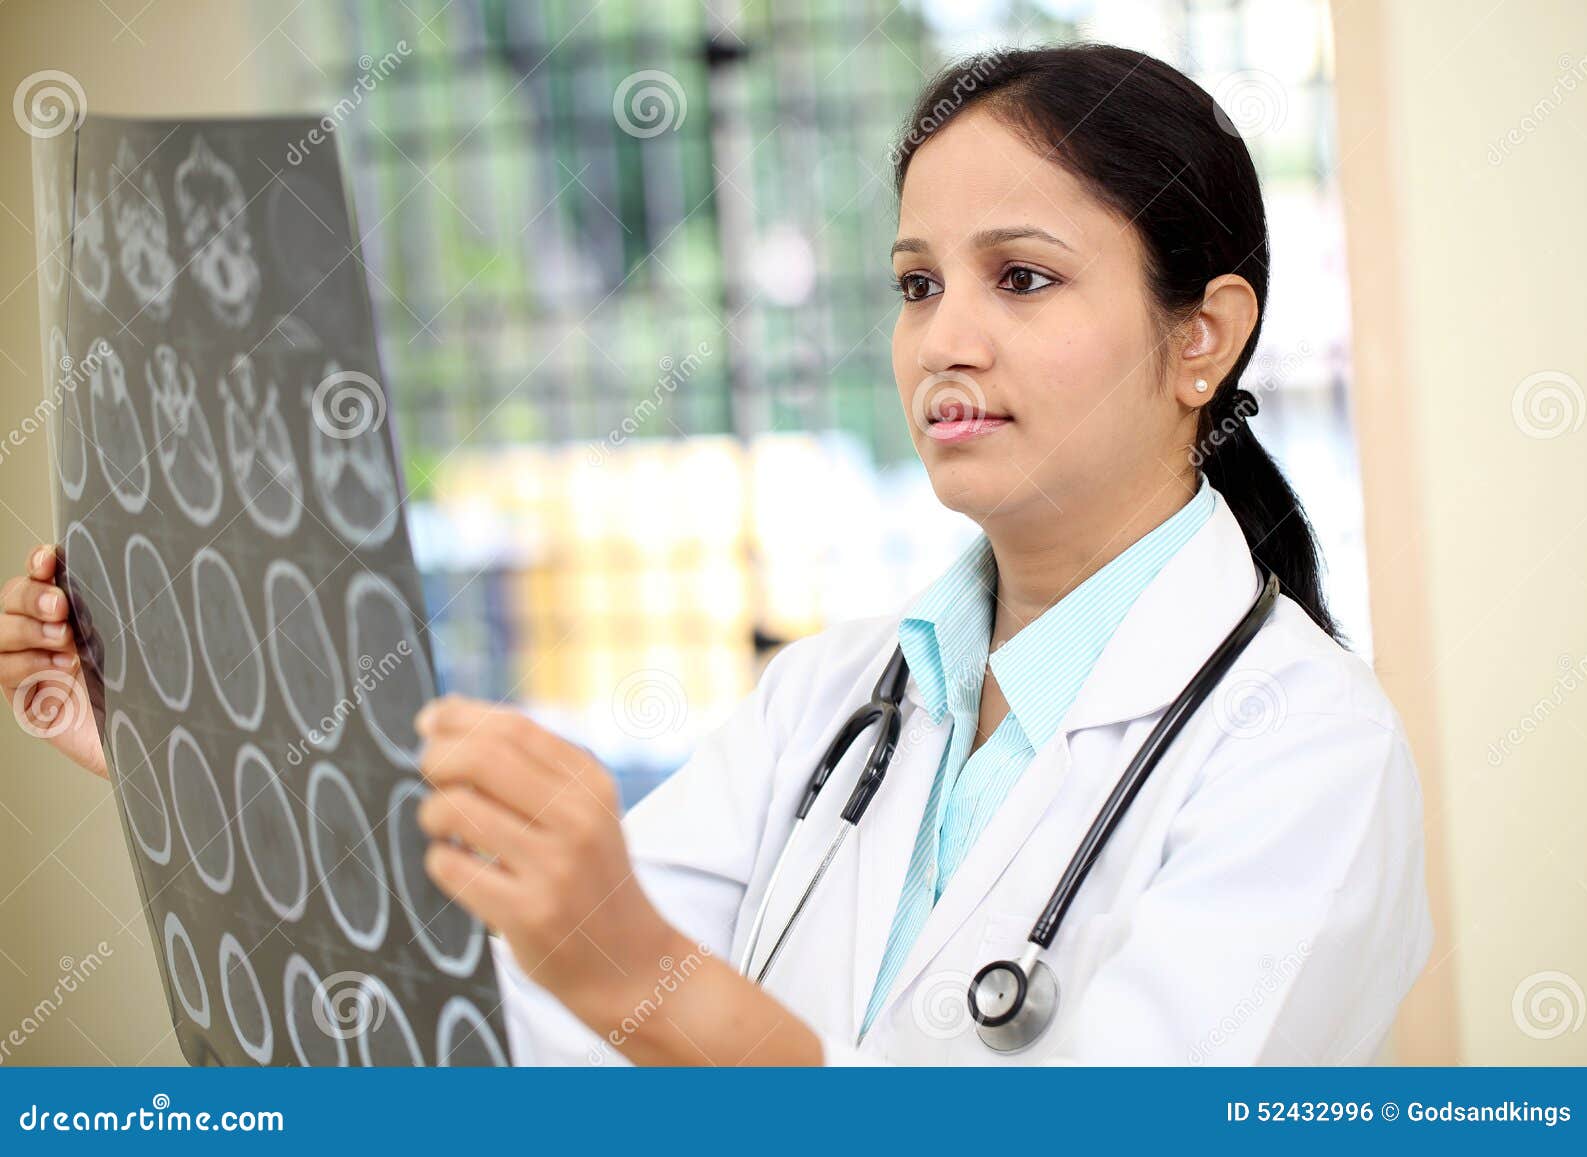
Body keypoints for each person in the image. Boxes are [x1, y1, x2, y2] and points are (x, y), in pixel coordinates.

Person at [0, 43, 1431, 1066]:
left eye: (1024, 277)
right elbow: (521, 1025)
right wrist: (181, 754)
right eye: (917, 283)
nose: (946, 337)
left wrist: (643, 968)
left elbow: (635, 983)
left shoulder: (1302, 754)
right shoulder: (836, 700)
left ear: (1205, 333)